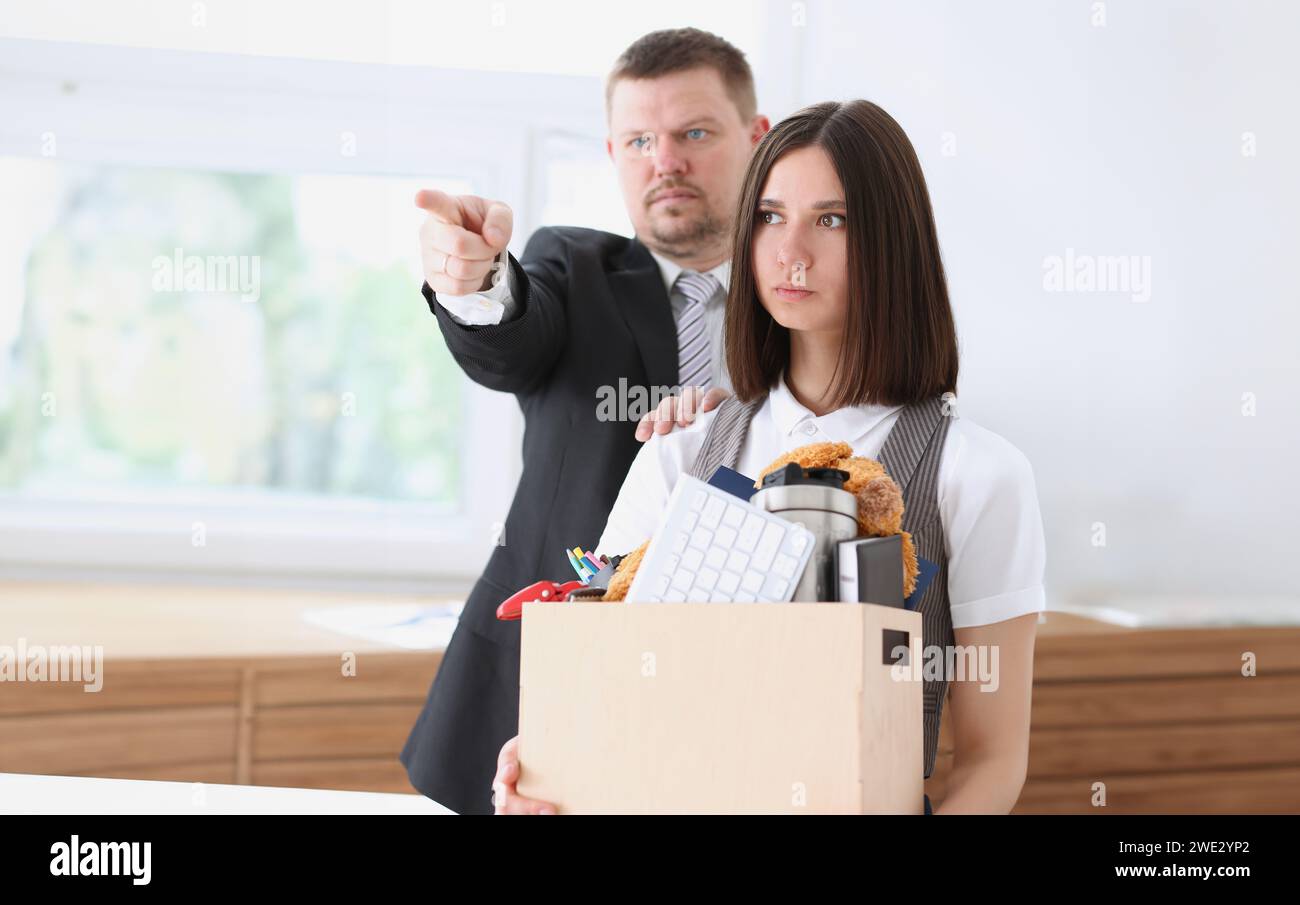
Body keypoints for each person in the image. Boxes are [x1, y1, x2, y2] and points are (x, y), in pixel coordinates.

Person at [492, 99, 1047, 815]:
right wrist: (538, 759)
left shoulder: (977, 476)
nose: (791, 250)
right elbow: (600, 692)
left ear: (894, 242)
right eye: (770, 216)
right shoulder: (681, 450)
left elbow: (992, 761)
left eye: (832, 218)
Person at [400, 28, 770, 815]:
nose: (664, 160)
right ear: (614, 153)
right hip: (550, 685)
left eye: (693, 133)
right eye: (639, 139)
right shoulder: (573, 268)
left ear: (755, 137)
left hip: (749, 690)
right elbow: (510, 340)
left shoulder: (803, 296)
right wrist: (474, 282)